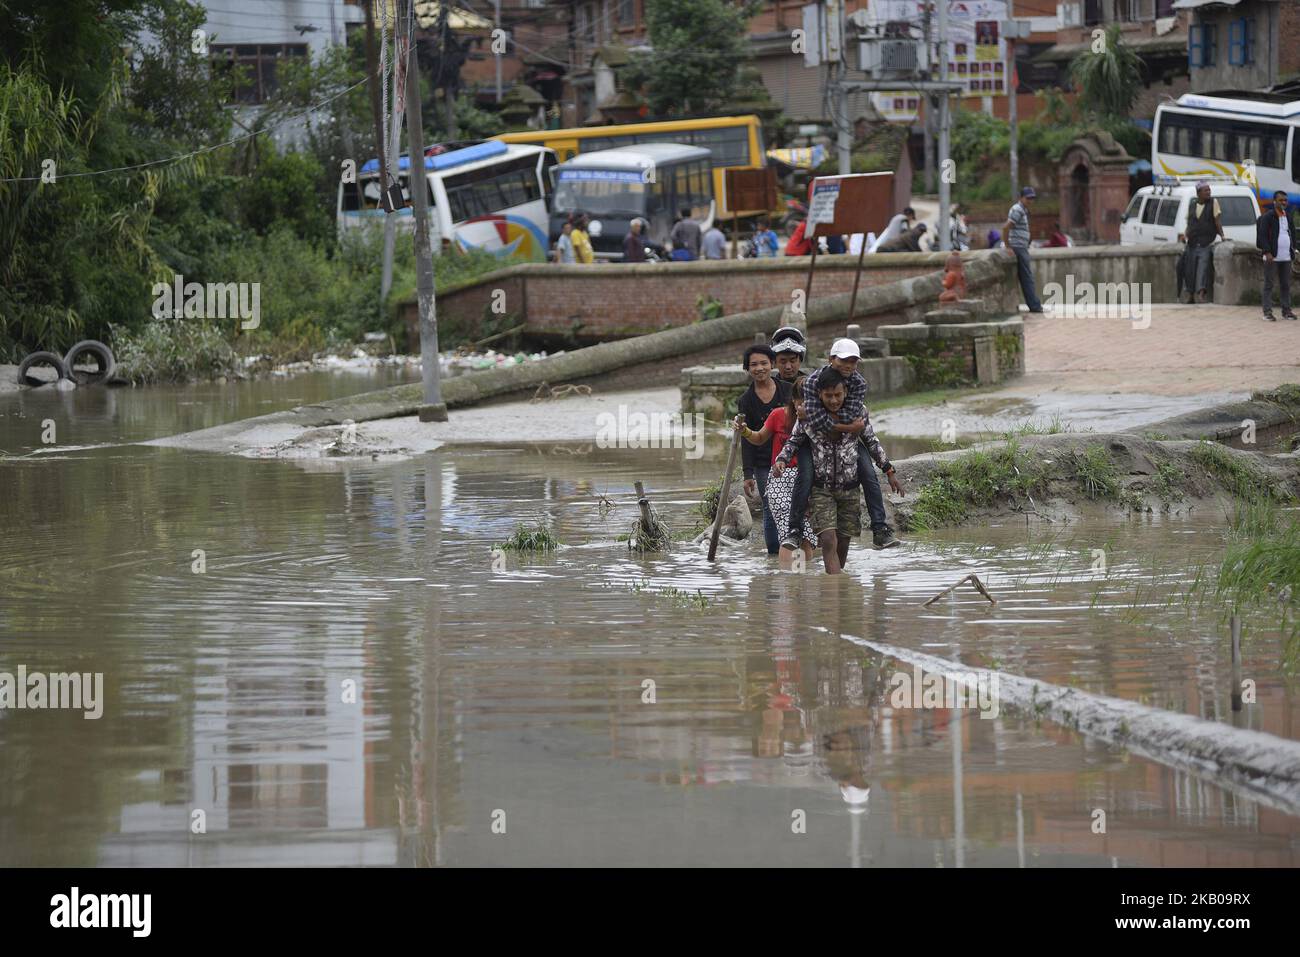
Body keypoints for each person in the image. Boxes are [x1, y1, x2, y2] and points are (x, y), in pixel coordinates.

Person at [780, 338, 903, 551]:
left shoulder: (858, 384)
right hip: (816, 450)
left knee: (868, 474)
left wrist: (889, 469)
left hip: (849, 452)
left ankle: (880, 529)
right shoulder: (812, 383)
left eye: (853, 361)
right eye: (843, 360)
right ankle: (794, 530)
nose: (847, 365)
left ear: (846, 391)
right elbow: (801, 432)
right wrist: (845, 426)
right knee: (806, 476)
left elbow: (865, 431)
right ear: (830, 360)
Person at [771, 369, 861, 574]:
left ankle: (834, 584)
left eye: (838, 395)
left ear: (846, 392)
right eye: (828, 395)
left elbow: (871, 442)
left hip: (847, 486)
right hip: (816, 487)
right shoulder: (802, 418)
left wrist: (888, 469)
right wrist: (782, 460)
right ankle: (827, 589)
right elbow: (792, 442)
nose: (833, 400)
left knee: (841, 540)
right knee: (826, 538)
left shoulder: (854, 411)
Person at [734, 375, 817, 569]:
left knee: (806, 530)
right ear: (793, 400)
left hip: (807, 479)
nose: (804, 407)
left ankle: (806, 577)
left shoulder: (818, 420)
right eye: (801, 402)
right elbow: (759, 437)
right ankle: (790, 579)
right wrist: (745, 431)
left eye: (810, 402)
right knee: (788, 532)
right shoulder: (779, 415)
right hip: (780, 480)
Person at [737, 345, 791, 556]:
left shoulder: (788, 390)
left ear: (772, 364)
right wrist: (747, 474)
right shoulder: (746, 400)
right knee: (771, 507)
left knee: (797, 503)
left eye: (764, 363)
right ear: (747, 369)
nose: (759, 368)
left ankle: (797, 550)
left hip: (791, 459)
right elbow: (747, 439)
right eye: (754, 364)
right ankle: (774, 555)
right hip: (763, 463)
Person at [1177, 181, 1223, 303]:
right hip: (1192, 242)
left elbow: (1217, 221)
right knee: (1189, 270)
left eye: (1209, 190)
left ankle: (1201, 294)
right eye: (1205, 190)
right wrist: (1185, 235)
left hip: (1205, 242)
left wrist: (1222, 236)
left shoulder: (1213, 203)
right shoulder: (1192, 205)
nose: (1208, 192)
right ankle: (1190, 295)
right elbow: (1190, 224)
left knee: (1202, 269)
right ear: (1198, 193)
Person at [1256, 189, 1298, 321]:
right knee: (1269, 284)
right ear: (1274, 202)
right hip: (1272, 257)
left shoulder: (1288, 216)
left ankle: (1286, 311)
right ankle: (1267, 312)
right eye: (1281, 200)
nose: (1283, 202)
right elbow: (1262, 236)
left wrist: (1294, 250)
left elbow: (1292, 234)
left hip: (1286, 256)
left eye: (1285, 200)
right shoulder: (1268, 216)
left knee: (1285, 284)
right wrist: (1267, 252)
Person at [1002, 186, 1042, 313]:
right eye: (1028, 198)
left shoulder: (1022, 210)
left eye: (1032, 198)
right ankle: (1034, 306)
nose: (1030, 201)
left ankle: (1033, 305)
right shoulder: (1018, 210)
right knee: (1027, 277)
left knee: (1025, 277)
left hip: (1021, 246)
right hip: (1018, 247)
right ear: (1021, 198)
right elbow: (1005, 228)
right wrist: (1008, 246)